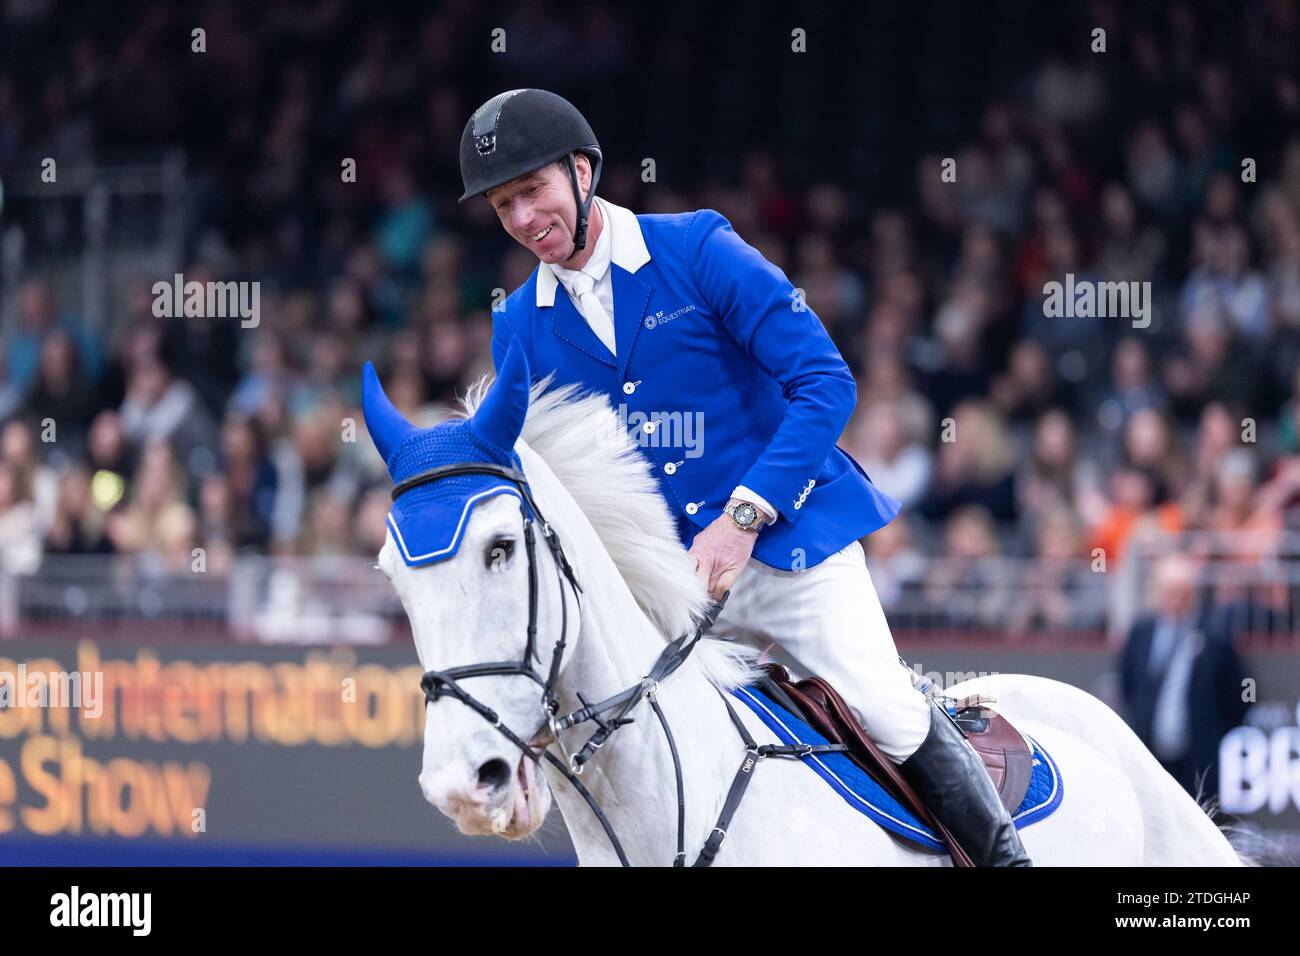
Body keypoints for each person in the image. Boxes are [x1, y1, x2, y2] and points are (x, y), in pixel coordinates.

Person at [460, 88, 1030, 865]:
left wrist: (744, 515)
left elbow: (825, 383)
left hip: (792, 546)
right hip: (676, 592)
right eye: (503, 205)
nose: (523, 219)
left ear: (583, 171)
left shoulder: (697, 249)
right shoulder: (518, 326)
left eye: (533, 191)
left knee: (887, 709)